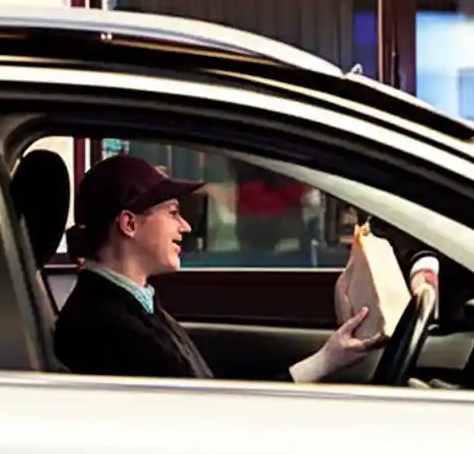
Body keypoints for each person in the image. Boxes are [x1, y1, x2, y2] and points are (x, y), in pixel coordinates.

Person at [54, 154, 385, 382]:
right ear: (128, 223)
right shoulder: (107, 328)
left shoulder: (130, 303)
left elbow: (207, 397)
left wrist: (329, 357)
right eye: (172, 213)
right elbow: (215, 418)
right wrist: (325, 362)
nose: (184, 226)